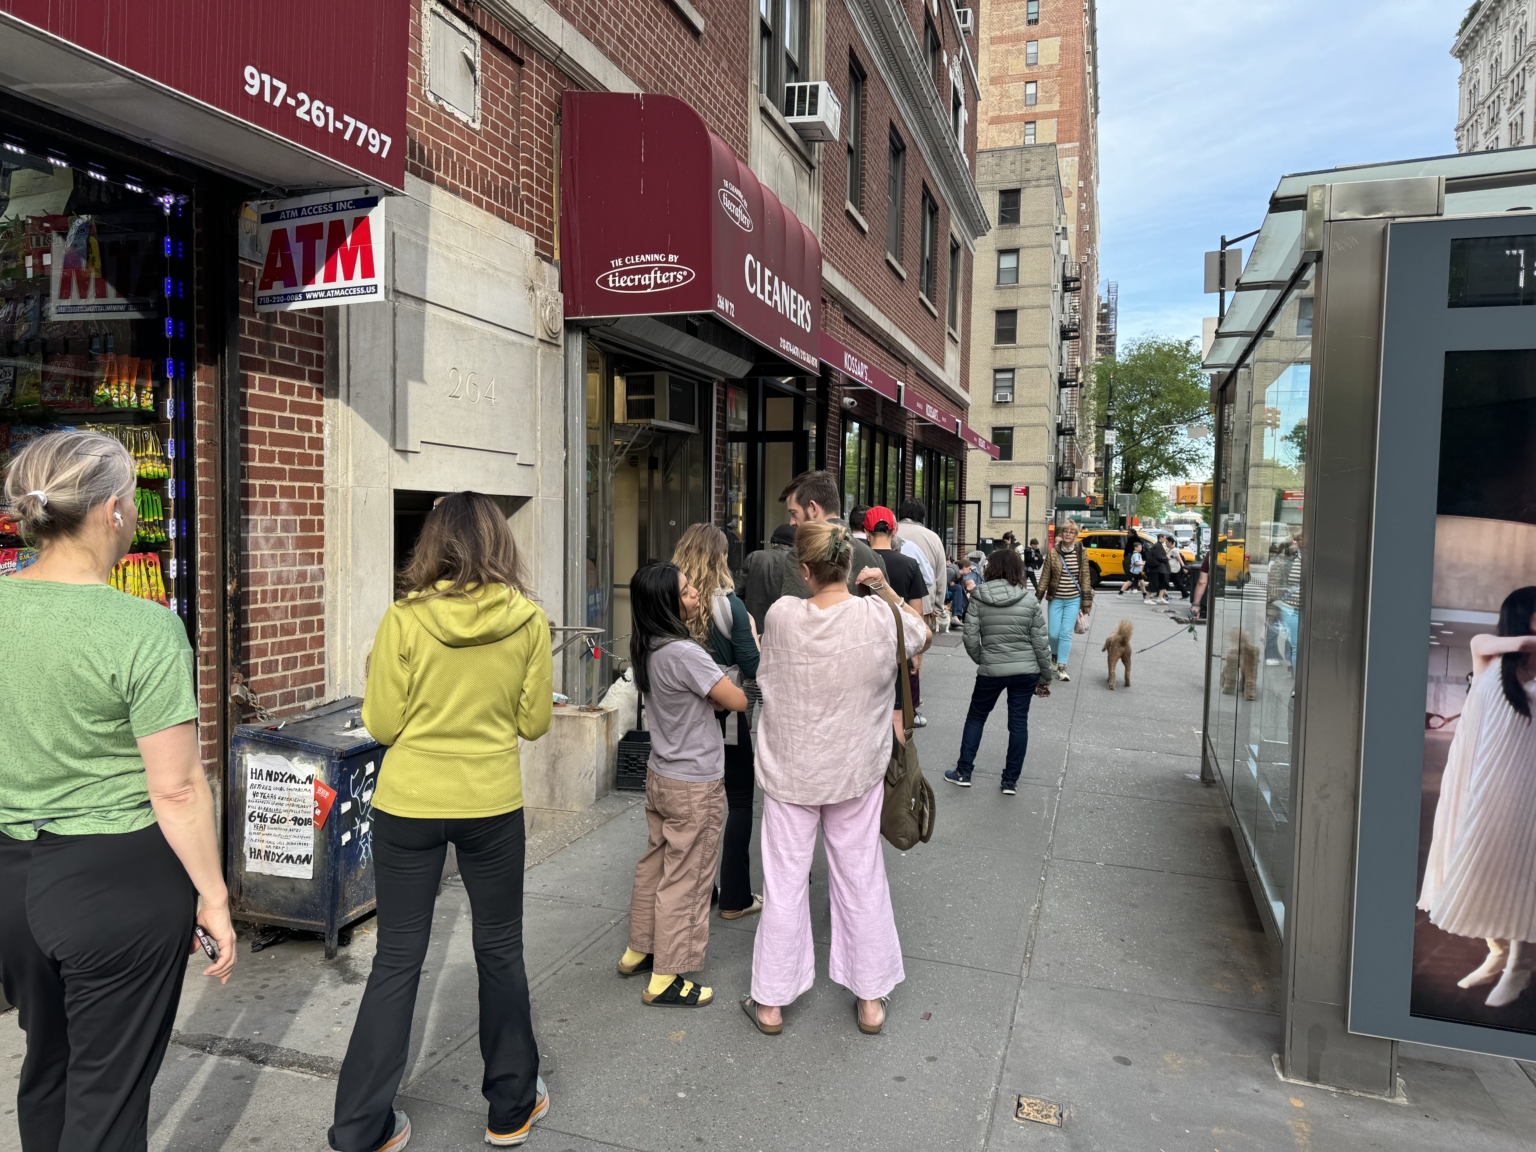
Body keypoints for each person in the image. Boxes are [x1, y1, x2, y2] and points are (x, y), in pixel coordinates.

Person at [0, 430, 237, 1152]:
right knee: (108, 1100)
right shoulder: (144, 628)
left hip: (11, 877)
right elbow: (177, 789)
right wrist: (214, 897)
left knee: (49, 1065)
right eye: (130, 498)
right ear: (111, 511)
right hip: (117, 880)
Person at [332, 492, 552, 1151]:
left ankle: (360, 1127)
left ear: (433, 543)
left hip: (410, 803)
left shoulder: (403, 618)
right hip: (490, 802)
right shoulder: (528, 620)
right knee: (500, 948)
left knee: (397, 959)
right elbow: (534, 723)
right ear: (499, 542)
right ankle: (510, 1108)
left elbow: (382, 724)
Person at [744, 520, 930, 1036]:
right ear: (848, 565)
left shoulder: (782, 615)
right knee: (860, 877)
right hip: (854, 768)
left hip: (791, 770)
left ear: (805, 571)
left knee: (784, 883)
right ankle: (870, 999)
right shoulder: (877, 616)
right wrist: (886, 590)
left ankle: (771, 1002)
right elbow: (920, 635)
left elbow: (766, 672)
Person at [618, 562, 748, 1008]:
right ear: (667, 603)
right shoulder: (685, 652)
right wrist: (718, 691)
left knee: (654, 865)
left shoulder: (647, 645)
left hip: (662, 772)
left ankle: (639, 948)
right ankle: (667, 977)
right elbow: (737, 699)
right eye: (687, 590)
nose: (695, 595)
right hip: (695, 779)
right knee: (688, 878)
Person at [1418, 587, 1536, 1008]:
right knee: (1475, 864)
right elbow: (1499, 642)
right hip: (1477, 781)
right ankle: (1497, 952)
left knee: (1520, 871)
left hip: (1526, 787)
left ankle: (1519, 964)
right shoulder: (1488, 654)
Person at [671, 524, 761, 921]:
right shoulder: (730, 606)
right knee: (738, 801)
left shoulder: (668, 601)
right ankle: (735, 898)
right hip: (726, 714)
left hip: (680, 717)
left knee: (694, 803)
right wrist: (755, 639)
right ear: (719, 558)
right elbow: (752, 666)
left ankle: (701, 890)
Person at [944, 548, 1055, 793]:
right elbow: (1040, 643)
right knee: (1018, 724)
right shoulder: (1029, 600)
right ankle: (1009, 781)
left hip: (991, 670)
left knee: (976, 717)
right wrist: (1045, 676)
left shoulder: (979, 597)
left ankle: (963, 772)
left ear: (991, 569)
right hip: (1025, 671)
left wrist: (983, 659)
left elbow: (970, 637)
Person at [866, 507, 930, 728]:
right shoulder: (909, 564)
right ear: (895, 531)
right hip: (898, 645)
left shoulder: (857, 562)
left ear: (866, 532)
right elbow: (917, 614)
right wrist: (916, 654)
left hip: (865, 643)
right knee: (897, 713)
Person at [778, 470, 885, 598]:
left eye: (794, 513)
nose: (791, 522)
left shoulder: (803, 553)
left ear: (813, 508)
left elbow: (795, 608)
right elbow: (885, 607)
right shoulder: (874, 557)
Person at [1036, 520, 1092, 681]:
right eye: (1065, 531)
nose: (1068, 534)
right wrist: (1037, 599)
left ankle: (1062, 667)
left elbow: (1086, 577)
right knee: (1053, 633)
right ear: (1062, 534)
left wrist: (1086, 602)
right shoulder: (1053, 553)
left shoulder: (1081, 552)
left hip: (1074, 599)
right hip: (1055, 599)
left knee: (1065, 633)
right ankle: (1054, 655)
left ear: (1076, 535)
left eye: (1071, 532)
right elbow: (1045, 577)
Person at [743, 522, 797, 632]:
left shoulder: (754, 556)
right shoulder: (795, 562)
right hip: (782, 627)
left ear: (774, 541)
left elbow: (739, 590)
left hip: (752, 625)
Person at [1145, 533, 1172, 604]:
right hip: (1157, 568)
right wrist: (1166, 558)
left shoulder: (1158, 545)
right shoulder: (1158, 546)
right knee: (1153, 583)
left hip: (1158, 568)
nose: (1165, 540)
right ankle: (1147, 599)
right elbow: (1159, 556)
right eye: (1164, 538)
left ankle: (1160, 598)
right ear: (1160, 538)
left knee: (1162, 582)